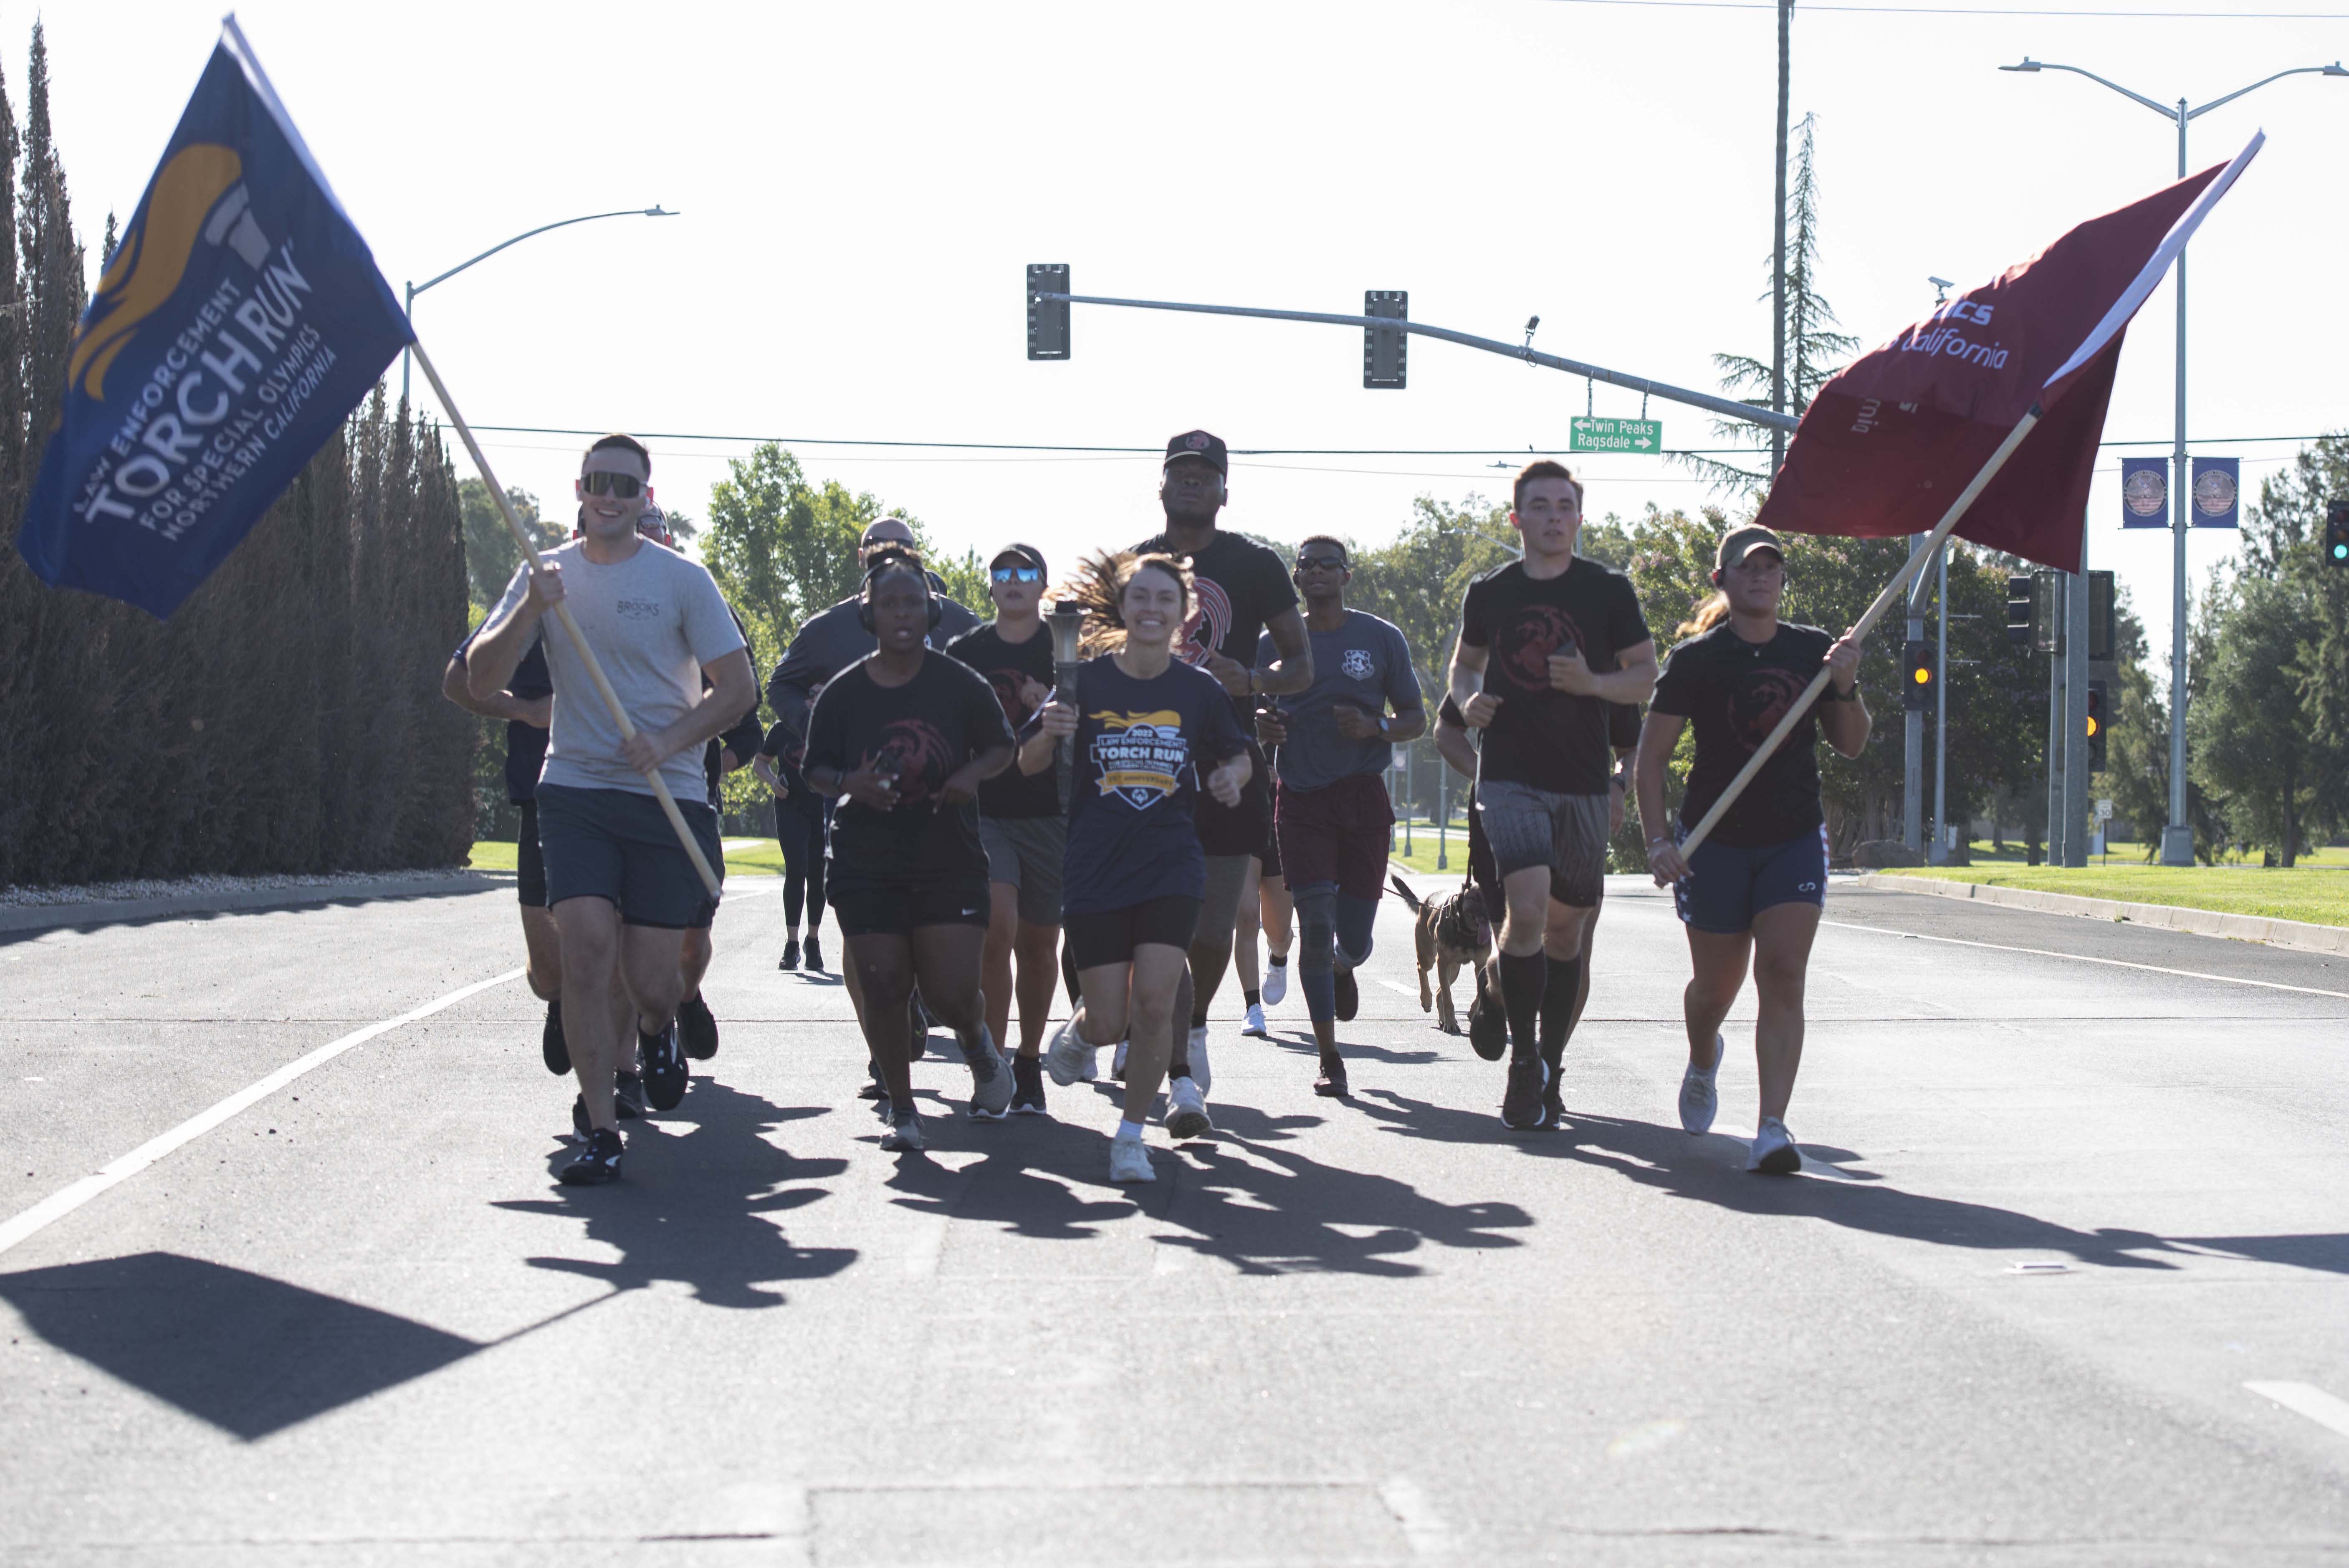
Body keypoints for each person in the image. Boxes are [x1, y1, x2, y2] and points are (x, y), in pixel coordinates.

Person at [466, 434, 755, 1185]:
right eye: (600, 481)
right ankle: (601, 1127)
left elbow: (737, 691)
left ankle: (659, 1032)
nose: (611, 495)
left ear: (644, 497)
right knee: (585, 952)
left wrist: (669, 740)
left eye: (627, 486)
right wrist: (528, 606)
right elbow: (476, 676)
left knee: (653, 983)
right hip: (576, 790)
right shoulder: (545, 576)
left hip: (666, 794)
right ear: (580, 488)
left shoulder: (683, 580)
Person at [1636, 524, 1868, 1173]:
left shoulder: (1814, 653)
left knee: (1783, 975)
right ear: (1722, 581)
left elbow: (1851, 742)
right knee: (1715, 989)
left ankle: (1772, 1127)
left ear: (1781, 578)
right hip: (1713, 842)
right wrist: (1658, 841)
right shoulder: (1696, 661)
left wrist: (1844, 686)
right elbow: (1649, 763)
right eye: (1746, 567)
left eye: (1770, 566)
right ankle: (1703, 1054)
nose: (1760, 576)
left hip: (1791, 837)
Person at [1024, 551, 1251, 1182]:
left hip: (1170, 864)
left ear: (1184, 614)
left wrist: (1230, 775)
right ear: (1122, 608)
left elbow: (1240, 757)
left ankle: (1129, 1139)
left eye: (1164, 600)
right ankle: (1079, 1033)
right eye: (1140, 598)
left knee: (1154, 1004)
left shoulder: (1198, 690)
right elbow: (1027, 764)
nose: (1152, 610)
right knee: (1109, 1018)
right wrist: (1048, 730)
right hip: (1095, 863)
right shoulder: (1083, 682)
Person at [1449, 460, 1657, 1131]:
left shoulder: (1608, 591)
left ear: (1577, 516)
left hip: (1581, 785)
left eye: (1563, 505)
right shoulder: (1491, 591)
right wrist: (1465, 699)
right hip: (1508, 777)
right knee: (1530, 908)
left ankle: (1543, 1059)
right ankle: (1520, 1065)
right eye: (1537, 506)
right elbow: (1463, 664)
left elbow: (1645, 679)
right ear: (1517, 519)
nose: (1551, 516)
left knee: (1564, 936)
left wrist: (1592, 684)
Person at [802, 551, 1019, 1152]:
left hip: (945, 856)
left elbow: (1001, 747)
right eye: (890, 604)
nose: (903, 613)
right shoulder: (844, 694)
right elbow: (814, 767)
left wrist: (971, 775)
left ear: (931, 613)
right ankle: (902, 1109)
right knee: (883, 984)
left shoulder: (959, 684)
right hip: (865, 860)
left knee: (951, 992)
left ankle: (978, 1046)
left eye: (914, 603)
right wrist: (850, 784)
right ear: (868, 615)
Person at [1130, 430, 1311, 1109]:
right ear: (1162, 484)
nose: (1193, 482)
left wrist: (1254, 678)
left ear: (1223, 490)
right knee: (1150, 924)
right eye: (1181, 472)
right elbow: (1094, 652)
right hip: (1142, 765)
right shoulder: (1135, 564)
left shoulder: (1255, 564)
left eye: (1206, 474)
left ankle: (1195, 1027)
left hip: (1229, 766)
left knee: (1210, 931)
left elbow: (1301, 667)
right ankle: (1158, 1045)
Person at [766, 516, 980, 1083]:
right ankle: (883, 1059)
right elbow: (778, 686)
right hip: (859, 811)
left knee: (935, 955)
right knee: (864, 939)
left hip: (942, 815)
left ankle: (945, 1022)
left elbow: (992, 687)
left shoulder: (956, 619)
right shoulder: (828, 629)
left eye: (904, 548)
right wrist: (814, 726)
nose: (892, 557)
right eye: (878, 549)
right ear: (860, 558)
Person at [1249, 537, 1424, 1095]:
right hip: (1299, 797)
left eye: (1329, 564)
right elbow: (1252, 714)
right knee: (1315, 927)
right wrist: (1262, 728)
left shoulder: (1379, 638)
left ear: (1346, 576)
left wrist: (1375, 728)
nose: (1318, 572)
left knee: (1353, 940)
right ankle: (1329, 1058)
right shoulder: (1269, 644)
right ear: (1296, 580)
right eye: (1307, 566)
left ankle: (1345, 966)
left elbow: (1415, 719)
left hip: (1361, 798)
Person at [1436, 692, 1639, 1119]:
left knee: (1574, 942)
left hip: (1579, 810)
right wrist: (1487, 774)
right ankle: (1496, 997)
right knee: (1518, 936)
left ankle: (1543, 1069)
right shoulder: (1500, 638)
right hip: (1502, 811)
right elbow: (1446, 730)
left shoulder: (1602, 647)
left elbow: (1629, 747)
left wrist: (1618, 785)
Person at [945, 543, 1064, 1116]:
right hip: (984, 811)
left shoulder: (1066, 648)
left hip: (1051, 814)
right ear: (990, 586)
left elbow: (1099, 719)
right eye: (1002, 573)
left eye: (1025, 572)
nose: (1012, 581)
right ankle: (989, 1067)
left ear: (1043, 585)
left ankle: (1028, 1061)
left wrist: (1055, 708)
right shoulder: (965, 651)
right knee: (997, 926)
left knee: (1039, 948)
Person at [442, 602, 564, 1077]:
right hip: (542, 797)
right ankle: (561, 1001)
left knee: (614, 937)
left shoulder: (650, 594)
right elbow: (457, 682)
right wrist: (527, 711)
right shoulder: (536, 601)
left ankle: (631, 1057)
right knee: (549, 970)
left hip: (619, 795)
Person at [752, 723, 829, 973]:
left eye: (818, 693)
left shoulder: (832, 720)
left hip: (823, 806)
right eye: (808, 694)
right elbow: (760, 763)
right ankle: (792, 945)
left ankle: (813, 941)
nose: (813, 699)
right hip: (790, 805)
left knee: (818, 875)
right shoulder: (783, 728)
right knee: (796, 870)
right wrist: (773, 782)